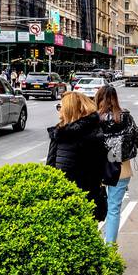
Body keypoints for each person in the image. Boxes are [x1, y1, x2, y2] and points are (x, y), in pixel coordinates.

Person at [46, 91, 108, 220]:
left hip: (69, 202)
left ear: (69, 110)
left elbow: (53, 169)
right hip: (89, 199)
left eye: (61, 107)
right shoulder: (95, 132)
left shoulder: (64, 136)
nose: (59, 111)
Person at [96, 85, 138, 244]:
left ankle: (92, 245)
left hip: (98, 170)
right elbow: (137, 139)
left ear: (98, 98)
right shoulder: (126, 117)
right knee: (114, 209)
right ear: (115, 98)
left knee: (94, 207)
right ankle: (110, 247)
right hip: (121, 168)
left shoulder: (95, 119)